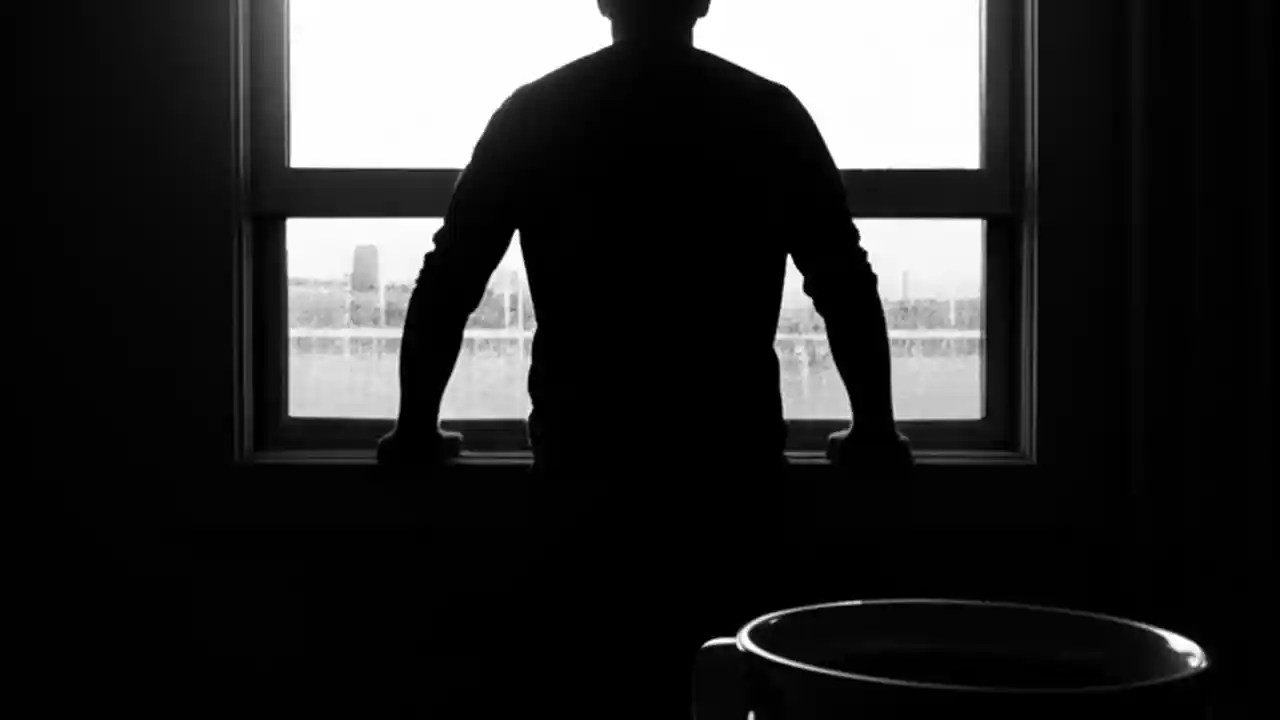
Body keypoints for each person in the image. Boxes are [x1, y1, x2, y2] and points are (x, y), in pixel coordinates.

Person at [377, 1, 914, 717]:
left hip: (584, 463)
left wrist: (417, 428)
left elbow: (452, 276)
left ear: (605, 1)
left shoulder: (538, 111)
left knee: (593, 683)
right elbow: (841, 277)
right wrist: (873, 427)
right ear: (702, 1)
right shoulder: (766, 111)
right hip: (730, 466)